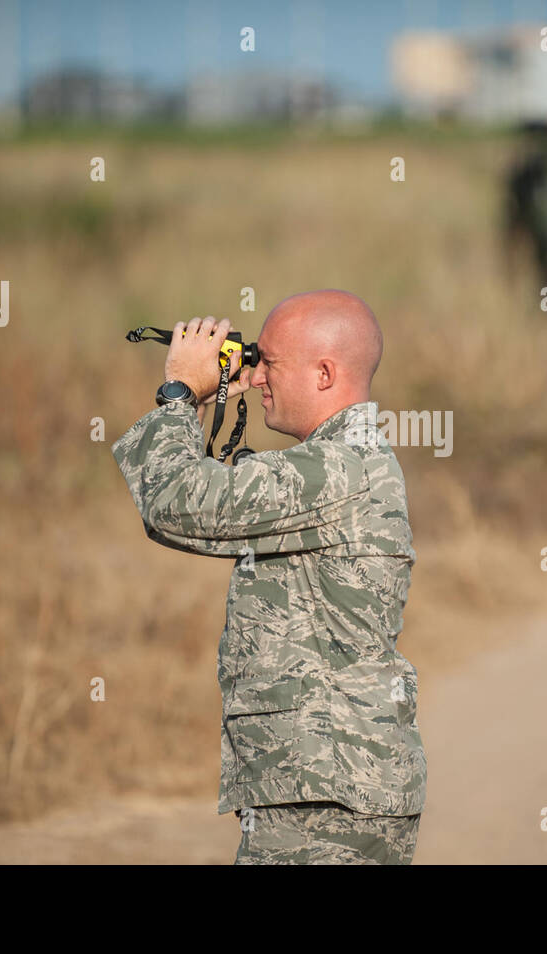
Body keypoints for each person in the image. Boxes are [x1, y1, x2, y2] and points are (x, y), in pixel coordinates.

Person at [111, 290, 425, 864]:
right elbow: (196, 512)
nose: (255, 379)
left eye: (269, 363)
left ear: (325, 373)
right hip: (329, 788)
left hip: (325, 797)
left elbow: (176, 502)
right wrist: (203, 405)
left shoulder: (336, 470)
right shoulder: (344, 463)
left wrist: (180, 390)